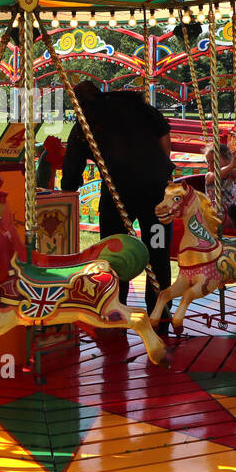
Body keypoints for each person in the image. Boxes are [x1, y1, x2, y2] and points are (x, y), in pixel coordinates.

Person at [60, 81, 173, 323]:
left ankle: (115, 306)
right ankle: (160, 311)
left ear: (77, 102)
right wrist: (162, 166)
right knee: (158, 248)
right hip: (155, 190)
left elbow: (72, 165)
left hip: (120, 192)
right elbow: (164, 130)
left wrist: (67, 187)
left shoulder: (85, 121)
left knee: (114, 249)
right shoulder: (133, 105)